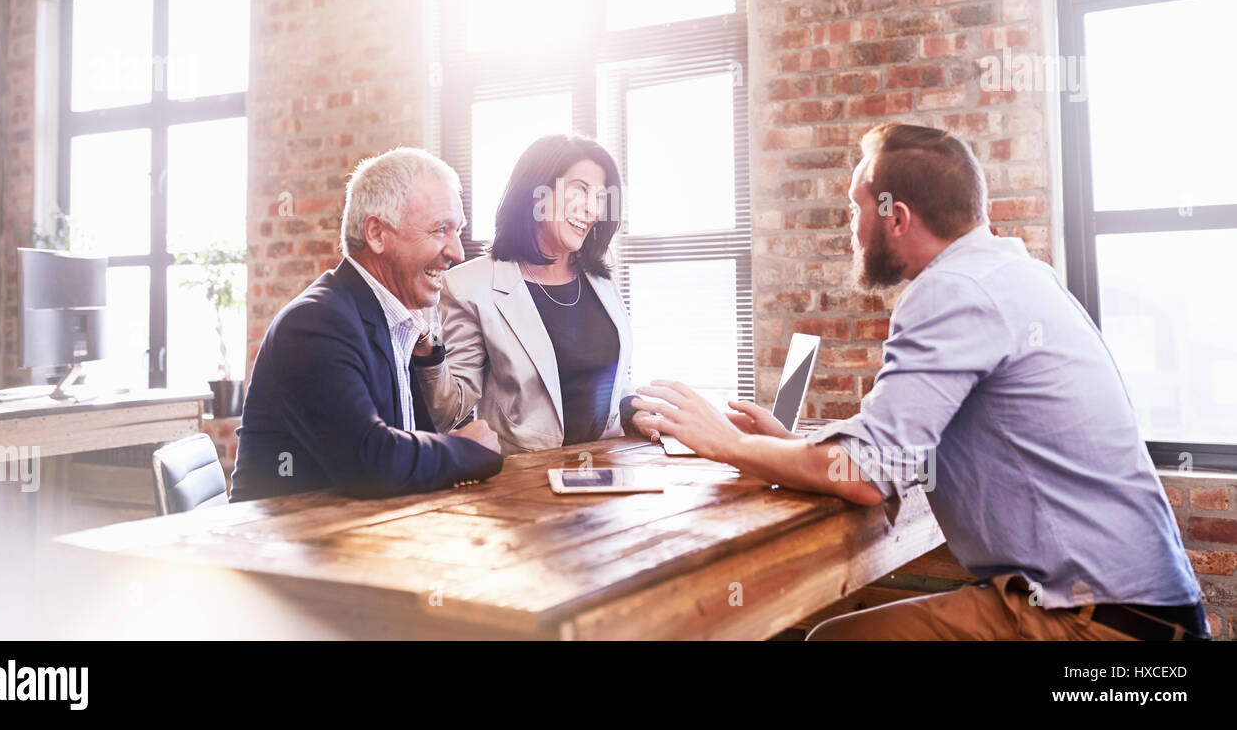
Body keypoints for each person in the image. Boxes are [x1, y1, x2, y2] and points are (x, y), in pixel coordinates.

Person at [631, 123, 1208, 641]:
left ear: (897, 217)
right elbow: (894, 449)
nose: (850, 227)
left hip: (1102, 630)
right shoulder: (1015, 274)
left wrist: (726, 443)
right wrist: (787, 444)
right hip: (1145, 616)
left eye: (855, 210)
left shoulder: (951, 290)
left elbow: (866, 474)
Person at [230, 148, 502, 502]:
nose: (457, 252)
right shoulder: (315, 323)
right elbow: (370, 461)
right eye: (440, 230)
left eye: (458, 231)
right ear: (377, 233)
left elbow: (411, 440)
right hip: (281, 546)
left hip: (353, 536)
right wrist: (468, 450)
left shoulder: (392, 319)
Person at [416, 134, 642, 454]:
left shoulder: (601, 272)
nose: (592, 209)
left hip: (610, 468)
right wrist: (429, 350)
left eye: (601, 196)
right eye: (579, 189)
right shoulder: (469, 287)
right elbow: (447, 411)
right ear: (536, 195)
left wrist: (633, 409)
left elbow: (612, 378)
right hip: (525, 481)